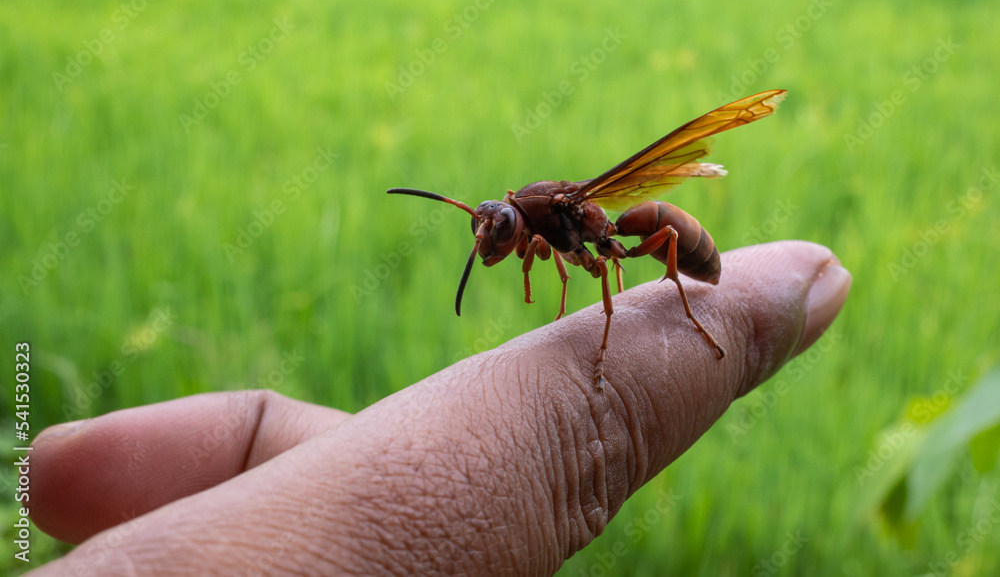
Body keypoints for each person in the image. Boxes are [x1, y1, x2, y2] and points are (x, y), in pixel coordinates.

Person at [24, 241, 850, 576]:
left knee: (644, 269)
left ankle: (692, 304)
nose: (488, 243)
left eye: (494, 231)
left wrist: (604, 343)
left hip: (678, 263)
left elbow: (583, 266)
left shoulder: (578, 225)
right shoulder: (538, 233)